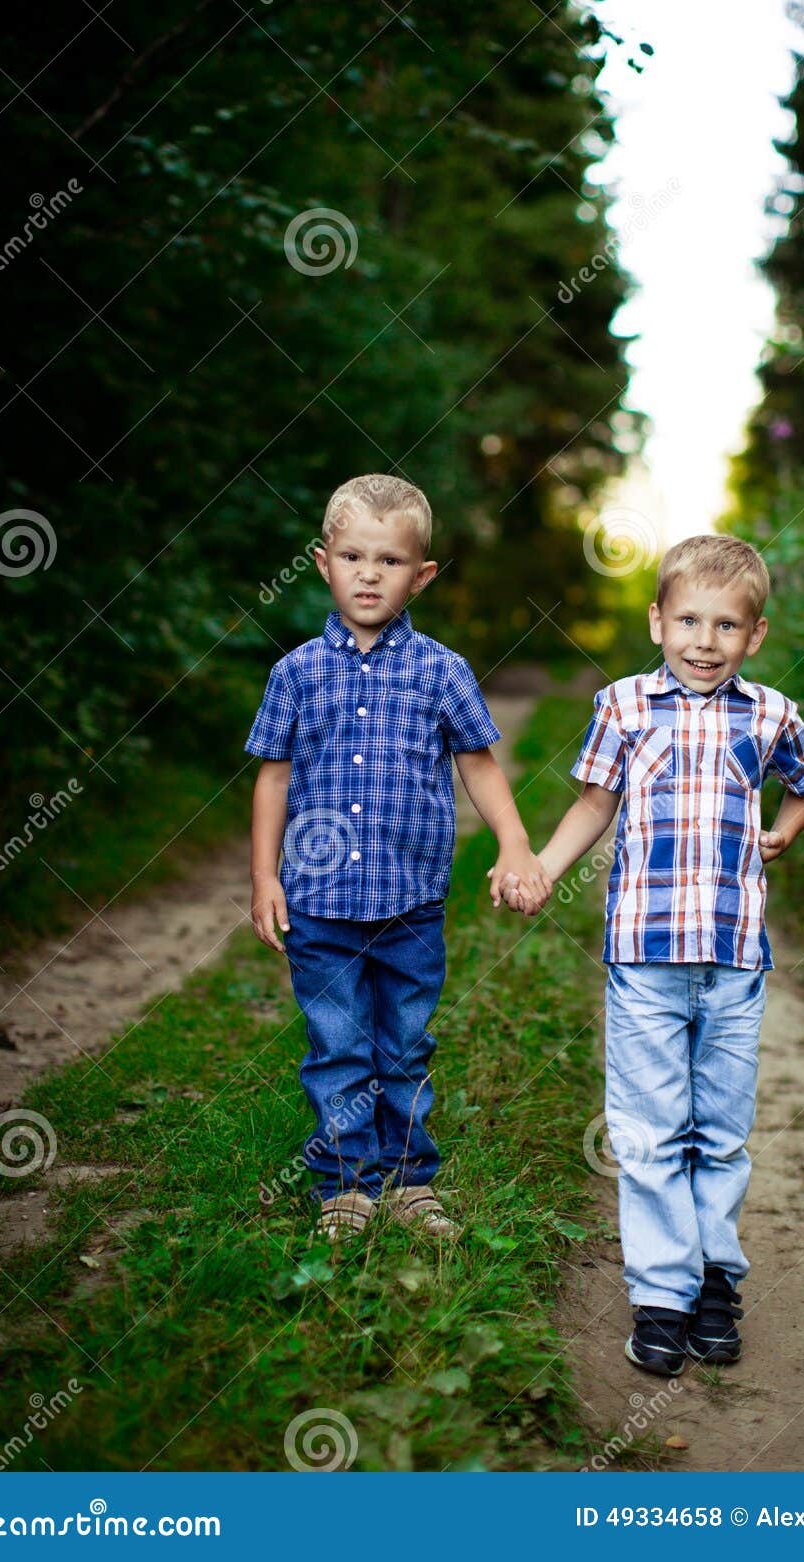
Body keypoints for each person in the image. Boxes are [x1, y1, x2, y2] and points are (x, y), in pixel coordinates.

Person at [500, 533, 804, 1374]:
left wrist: (782, 829)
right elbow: (593, 802)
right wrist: (540, 864)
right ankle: (660, 1294)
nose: (703, 641)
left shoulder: (771, 714)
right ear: (656, 620)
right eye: (687, 620)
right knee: (648, 1132)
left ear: (753, 635)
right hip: (643, 956)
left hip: (733, 959)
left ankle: (715, 1278)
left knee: (717, 1131)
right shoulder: (621, 706)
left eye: (725, 626)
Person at [245, 474, 550, 1241]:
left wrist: (514, 841)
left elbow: (479, 762)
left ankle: (412, 1180)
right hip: (319, 905)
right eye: (353, 555)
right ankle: (346, 1185)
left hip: (411, 902)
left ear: (422, 575)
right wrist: (262, 877)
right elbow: (272, 776)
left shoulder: (440, 671)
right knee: (339, 1046)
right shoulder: (295, 674)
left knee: (404, 1044)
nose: (369, 573)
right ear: (323, 562)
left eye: (389, 560)